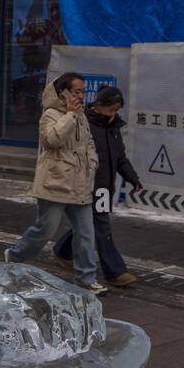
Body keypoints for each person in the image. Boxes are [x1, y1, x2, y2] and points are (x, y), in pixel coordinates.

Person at [3, 72, 105, 294]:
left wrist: (93, 161)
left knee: (86, 233)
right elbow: (52, 140)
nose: (81, 96)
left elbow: (88, 143)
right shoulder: (50, 114)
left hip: (80, 183)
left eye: (83, 91)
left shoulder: (82, 116)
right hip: (55, 183)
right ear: (63, 93)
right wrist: (69, 115)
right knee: (45, 230)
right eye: (77, 91)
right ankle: (15, 255)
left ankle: (86, 278)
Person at [53, 85, 143, 286]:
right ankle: (115, 271)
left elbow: (120, 158)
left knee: (89, 223)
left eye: (117, 110)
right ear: (99, 105)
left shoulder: (113, 127)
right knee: (100, 227)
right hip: (83, 184)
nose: (114, 113)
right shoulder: (83, 123)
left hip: (103, 188)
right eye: (111, 109)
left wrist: (133, 178)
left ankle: (61, 251)